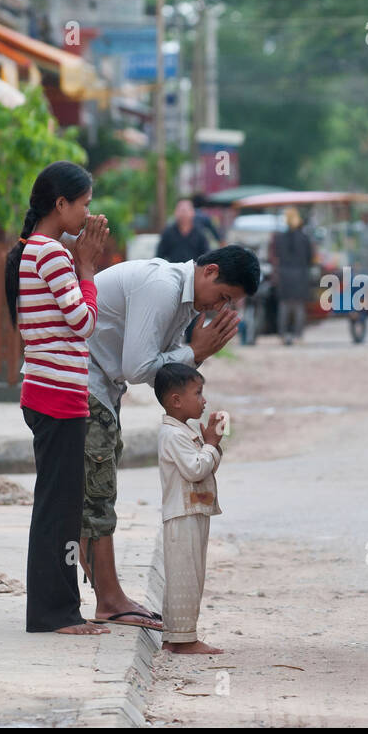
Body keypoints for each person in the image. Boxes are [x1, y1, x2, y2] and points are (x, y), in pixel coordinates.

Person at [82, 245, 261, 629]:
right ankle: (109, 600)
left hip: (99, 387)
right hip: (84, 382)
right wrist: (194, 352)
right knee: (96, 494)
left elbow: (154, 368)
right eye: (224, 296)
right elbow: (139, 366)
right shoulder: (162, 285)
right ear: (209, 271)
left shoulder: (182, 302)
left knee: (94, 490)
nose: (218, 307)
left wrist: (193, 356)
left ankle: (109, 596)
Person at [4, 161, 111, 636]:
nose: (89, 213)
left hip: (53, 392)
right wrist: (87, 268)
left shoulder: (40, 250)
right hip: (55, 395)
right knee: (56, 509)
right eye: (84, 203)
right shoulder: (49, 254)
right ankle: (55, 615)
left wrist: (80, 263)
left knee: (59, 506)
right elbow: (84, 322)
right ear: (61, 204)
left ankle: (60, 610)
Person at [155, 363, 225, 655]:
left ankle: (175, 636)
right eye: (198, 393)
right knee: (186, 577)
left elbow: (207, 465)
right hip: (183, 515)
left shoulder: (184, 430)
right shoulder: (173, 435)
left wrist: (212, 445)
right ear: (176, 400)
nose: (204, 400)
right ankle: (185, 639)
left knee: (187, 575)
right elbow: (196, 469)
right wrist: (210, 445)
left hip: (192, 512)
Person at [270, 207, 313, 345]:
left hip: (283, 275)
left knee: (284, 306)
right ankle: (298, 336)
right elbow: (310, 258)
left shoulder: (278, 238)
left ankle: (282, 336)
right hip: (300, 274)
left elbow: (275, 256)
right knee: (299, 307)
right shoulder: (305, 238)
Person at [157, 198, 212, 264]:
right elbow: (159, 257)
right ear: (175, 212)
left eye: (186, 210)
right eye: (181, 210)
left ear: (193, 212)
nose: (183, 213)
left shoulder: (200, 232)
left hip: (194, 271)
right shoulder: (168, 232)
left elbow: (206, 255)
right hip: (173, 270)